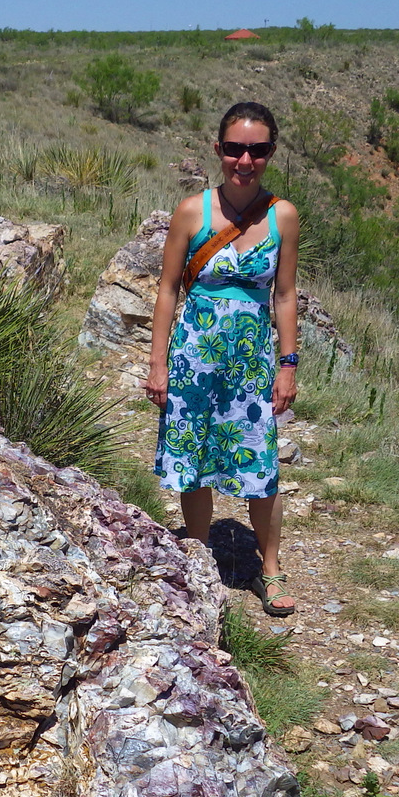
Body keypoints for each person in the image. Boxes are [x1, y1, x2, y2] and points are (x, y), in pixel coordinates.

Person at [143, 101, 300, 616]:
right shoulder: (193, 211)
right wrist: (158, 364)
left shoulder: (282, 216)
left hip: (251, 360)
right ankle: (199, 560)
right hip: (194, 358)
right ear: (219, 151)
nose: (244, 160)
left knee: (260, 464)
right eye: (235, 149)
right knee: (193, 462)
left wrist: (287, 364)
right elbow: (167, 290)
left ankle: (269, 570)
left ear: (270, 153)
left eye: (256, 150)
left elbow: (284, 295)